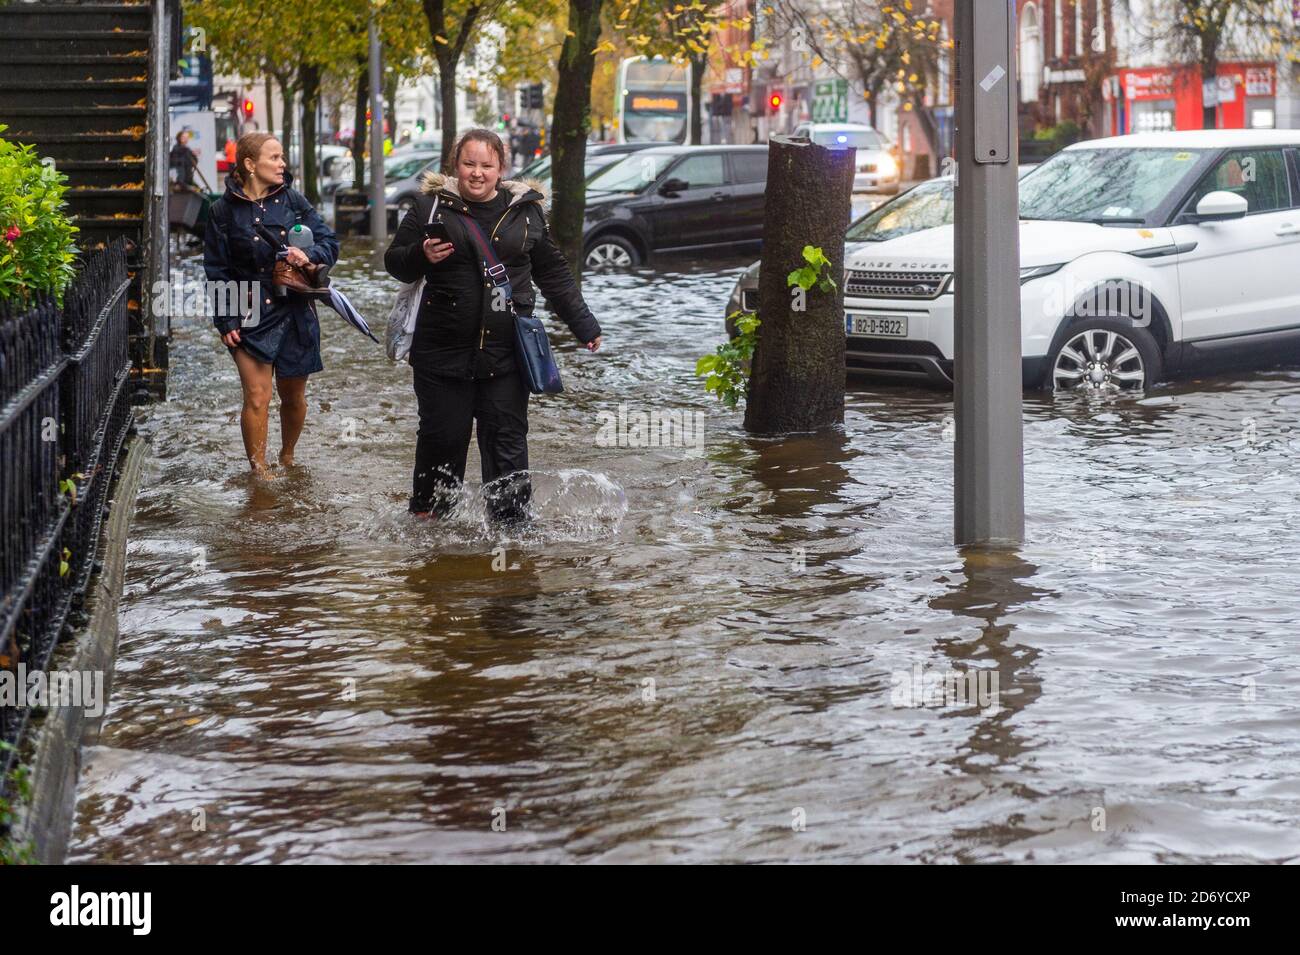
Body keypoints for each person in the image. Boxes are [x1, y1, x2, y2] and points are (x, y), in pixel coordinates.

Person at [383, 128, 602, 523]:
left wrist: (584, 325)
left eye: (487, 165)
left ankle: (511, 532)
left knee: (507, 442)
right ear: (455, 165)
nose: (477, 173)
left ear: (502, 167)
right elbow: (395, 261)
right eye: (469, 164)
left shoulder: (526, 210)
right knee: (442, 441)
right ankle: (431, 534)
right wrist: (421, 254)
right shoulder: (428, 207)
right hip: (441, 353)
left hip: (506, 354)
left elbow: (552, 272)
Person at [203, 131, 339, 475]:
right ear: (250, 164)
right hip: (248, 312)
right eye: (274, 158)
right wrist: (226, 320)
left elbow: (329, 242)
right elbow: (216, 270)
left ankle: (287, 456)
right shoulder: (221, 211)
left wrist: (307, 255)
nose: (282, 164)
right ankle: (259, 472)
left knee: (293, 397)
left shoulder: (294, 201)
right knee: (257, 396)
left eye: (282, 157)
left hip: (294, 307)